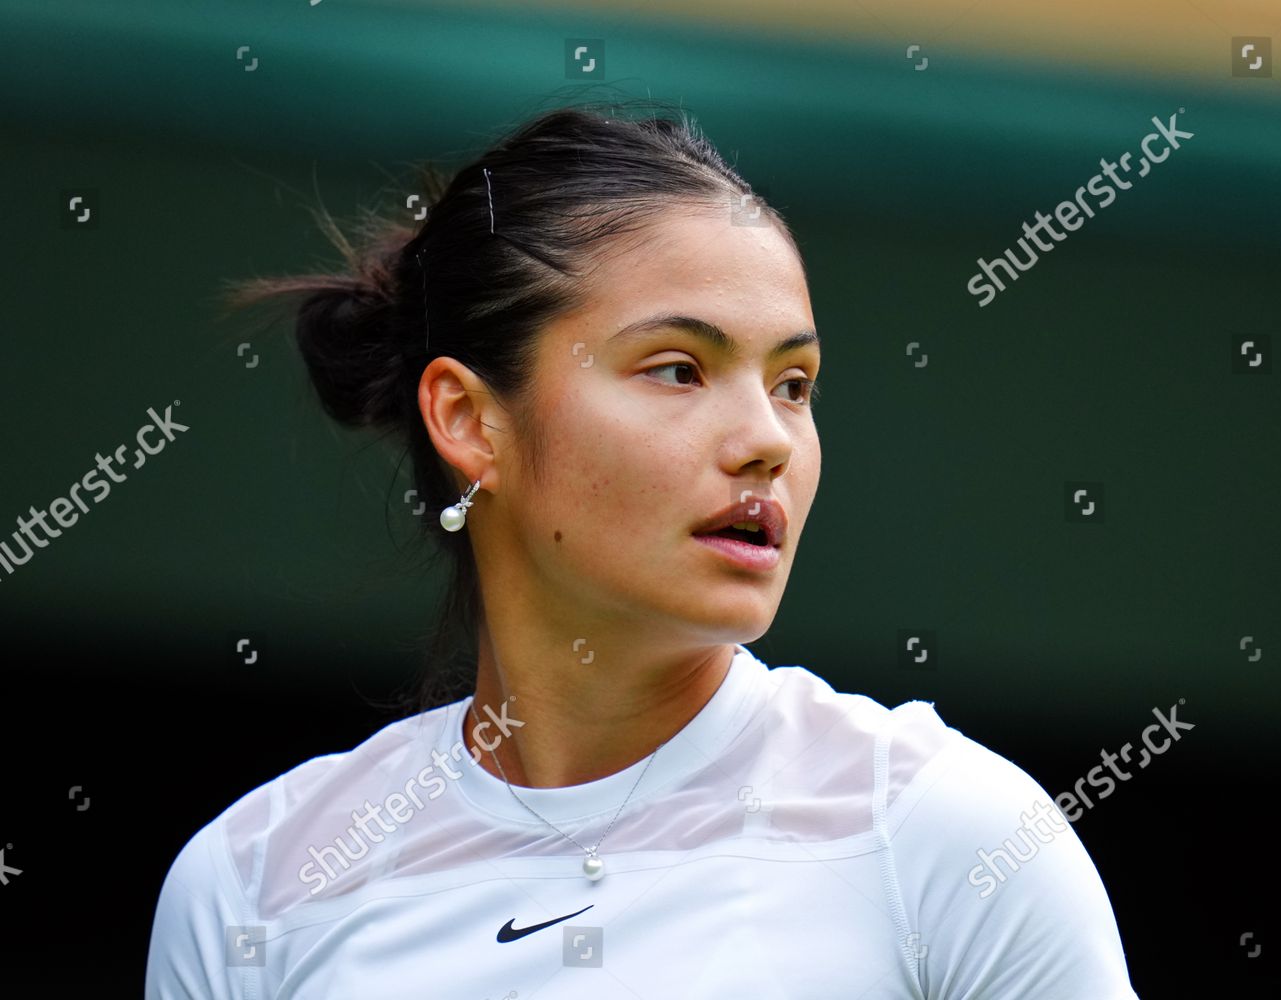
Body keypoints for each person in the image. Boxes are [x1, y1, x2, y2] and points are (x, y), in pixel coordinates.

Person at [145, 99, 1140, 999]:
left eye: (794, 384)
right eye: (678, 368)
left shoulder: (953, 838)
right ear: (467, 419)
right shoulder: (254, 885)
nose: (768, 439)